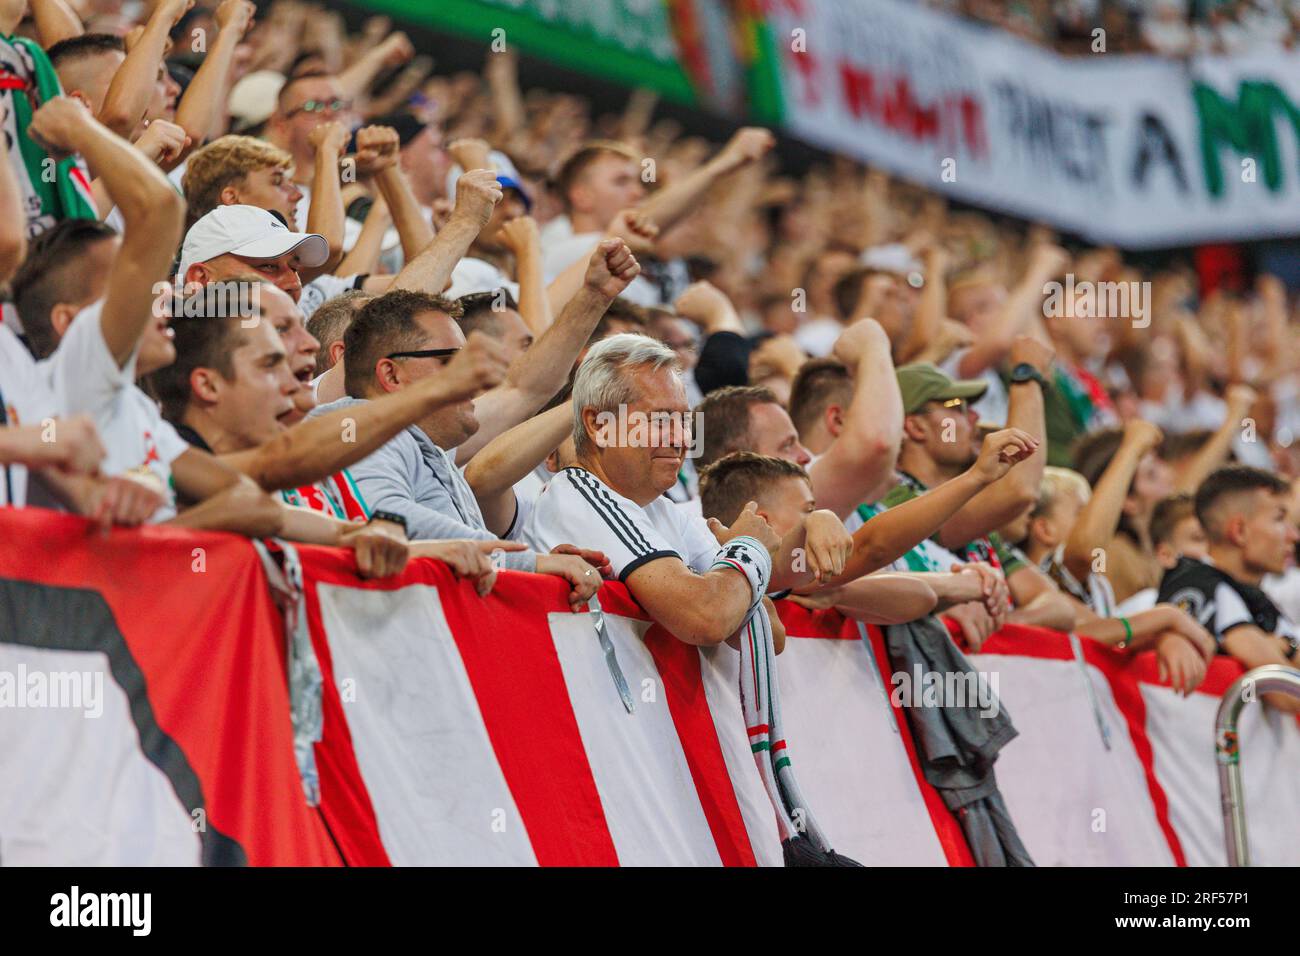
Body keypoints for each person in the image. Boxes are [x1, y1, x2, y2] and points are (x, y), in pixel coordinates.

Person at [523, 332, 853, 648]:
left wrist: (728, 575)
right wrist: (745, 549)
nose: (681, 440)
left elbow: (768, 633)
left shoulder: (661, 509)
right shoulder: (583, 496)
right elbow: (706, 618)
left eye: (683, 422)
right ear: (599, 425)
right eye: (661, 420)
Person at [1158, 466, 1300, 708]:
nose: (1293, 535)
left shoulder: (1252, 594)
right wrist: (1278, 649)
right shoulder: (1202, 584)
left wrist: (1285, 646)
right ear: (1240, 531)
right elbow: (1285, 691)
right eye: (1279, 519)